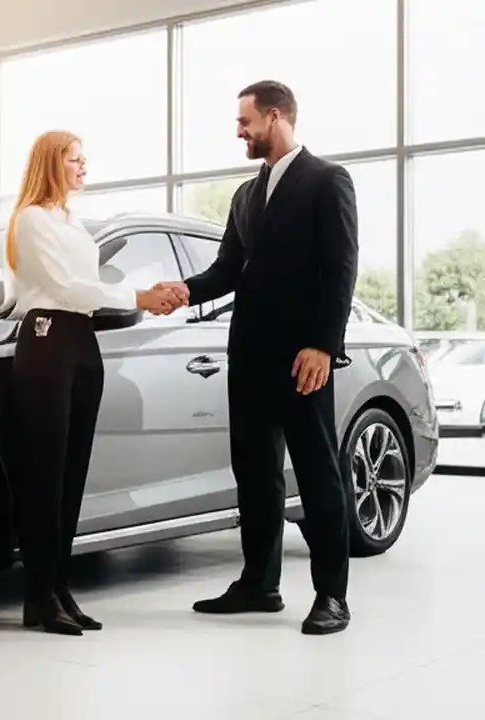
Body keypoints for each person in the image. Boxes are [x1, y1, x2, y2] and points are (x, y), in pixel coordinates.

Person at [157, 80, 359, 635]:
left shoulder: (327, 180)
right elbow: (227, 270)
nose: (239, 133)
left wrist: (323, 344)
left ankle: (332, 596)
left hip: (303, 357)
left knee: (318, 475)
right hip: (247, 355)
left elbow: (341, 269)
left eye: (245, 123)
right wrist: (180, 290)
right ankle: (259, 584)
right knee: (255, 473)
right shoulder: (245, 195)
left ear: (275, 117)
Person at [5, 130, 185, 636]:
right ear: (50, 164)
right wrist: (138, 296)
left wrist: (134, 297)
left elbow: (85, 291)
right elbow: (65, 287)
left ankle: (58, 590)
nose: (84, 167)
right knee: (45, 473)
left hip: (82, 341)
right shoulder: (32, 219)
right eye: (75, 159)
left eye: (86, 159)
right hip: (47, 339)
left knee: (71, 472)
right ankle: (38, 594)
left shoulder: (69, 221)